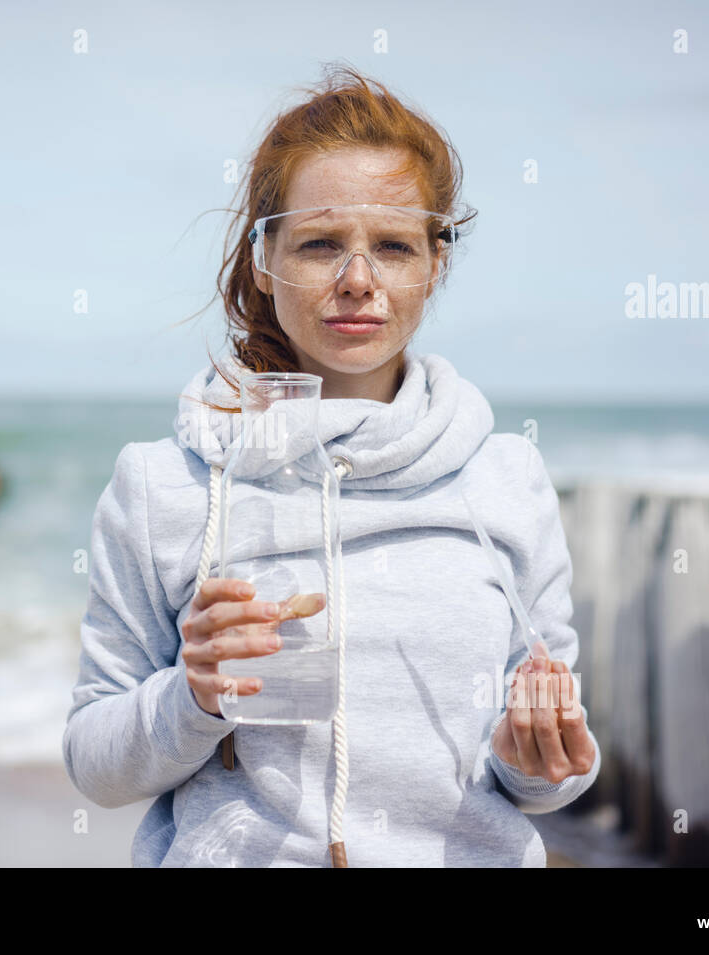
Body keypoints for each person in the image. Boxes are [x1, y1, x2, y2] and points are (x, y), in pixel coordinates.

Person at [62, 63, 600, 867]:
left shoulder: (505, 478)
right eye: (319, 244)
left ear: (435, 263)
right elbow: (95, 765)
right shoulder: (164, 485)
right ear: (262, 256)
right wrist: (194, 694)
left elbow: (537, 781)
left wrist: (541, 759)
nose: (358, 281)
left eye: (392, 246)